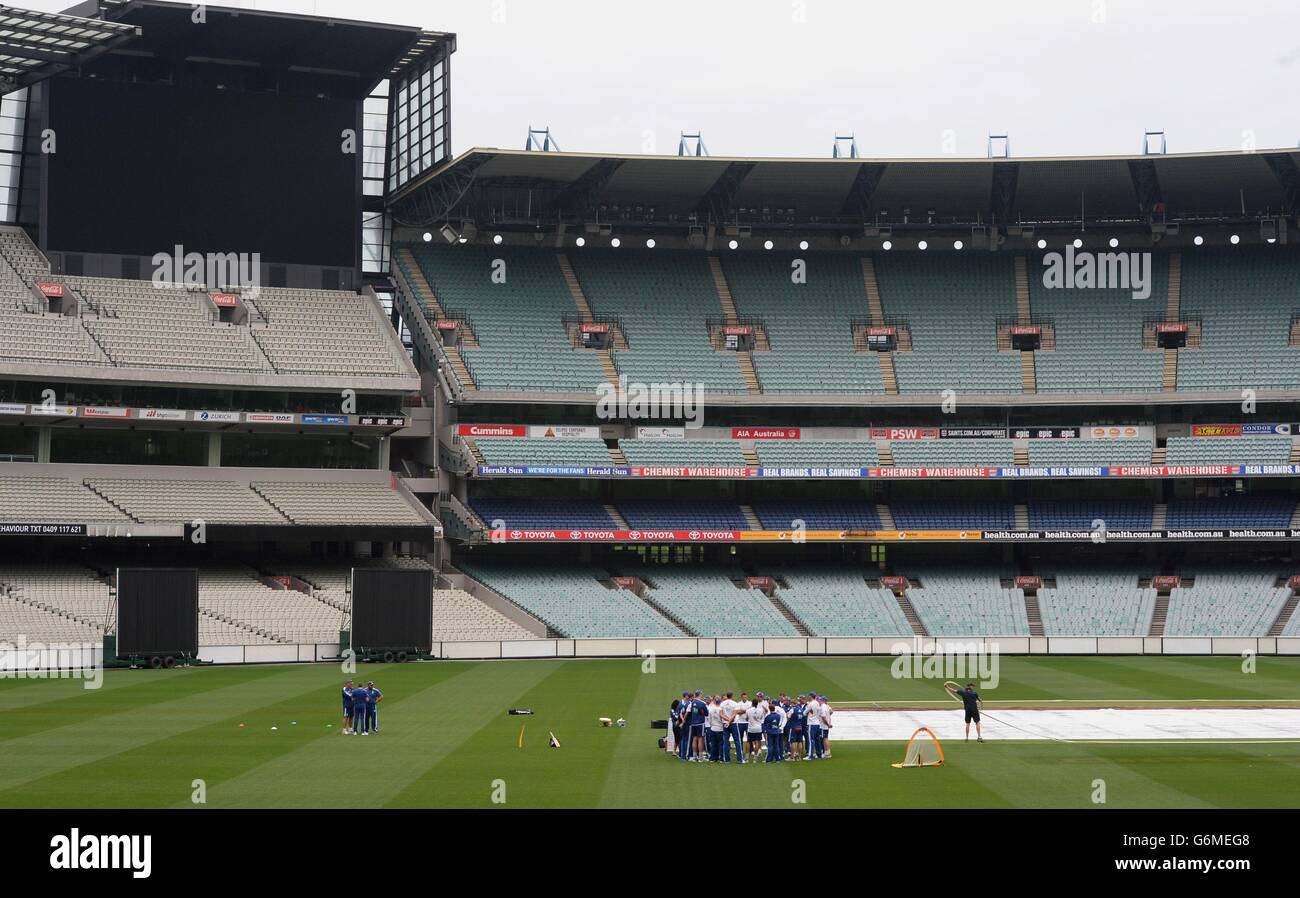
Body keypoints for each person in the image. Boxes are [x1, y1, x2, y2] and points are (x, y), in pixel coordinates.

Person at [745, 698, 766, 763]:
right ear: (757, 703)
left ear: (752, 703)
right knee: (757, 742)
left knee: (748, 742)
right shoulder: (761, 710)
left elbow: (746, 719)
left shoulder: (748, 710)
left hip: (751, 728)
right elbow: (761, 718)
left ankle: (747, 757)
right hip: (758, 728)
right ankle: (755, 757)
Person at [707, 695, 725, 762]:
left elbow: (710, 719)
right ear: (720, 702)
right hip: (720, 728)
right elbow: (722, 719)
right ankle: (721, 758)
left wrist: (712, 725)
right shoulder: (720, 709)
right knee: (720, 744)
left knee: (713, 744)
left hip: (713, 728)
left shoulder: (711, 709)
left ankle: (713, 758)